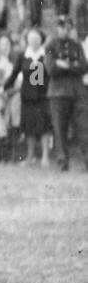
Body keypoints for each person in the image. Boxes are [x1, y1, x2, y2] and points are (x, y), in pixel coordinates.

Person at [44, 14, 88, 171]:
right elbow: (51, 69)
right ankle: (63, 161)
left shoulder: (77, 46)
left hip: (77, 92)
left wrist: (65, 65)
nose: (65, 29)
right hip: (58, 93)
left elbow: (84, 67)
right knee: (59, 129)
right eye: (62, 26)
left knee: (83, 128)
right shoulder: (50, 46)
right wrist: (70, 65)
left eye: (68, 26)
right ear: (57, 28)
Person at [5, 27, 50, 167]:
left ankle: (45, 157)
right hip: (27, 96)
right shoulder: (22, 55)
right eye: (31, 39)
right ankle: (30, 156)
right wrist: (5, 86)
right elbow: (14, 73)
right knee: (29, 128)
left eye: (36, 39)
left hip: (43, 96)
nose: (33, 42)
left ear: (41, 40)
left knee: (44, 127)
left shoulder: (46, 55)